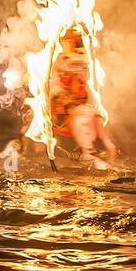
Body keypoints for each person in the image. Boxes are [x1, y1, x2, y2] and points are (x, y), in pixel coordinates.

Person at [49, 28, 116, 169]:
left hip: (79, 111)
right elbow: (54, 91)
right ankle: (87, 152)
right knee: (80, 116)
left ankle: (98, 149)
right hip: (64, 117)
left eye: (77, 43)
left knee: (91, 115)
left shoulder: (83, 69)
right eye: (73, 43)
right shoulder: (57, 65)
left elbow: (86, 89)